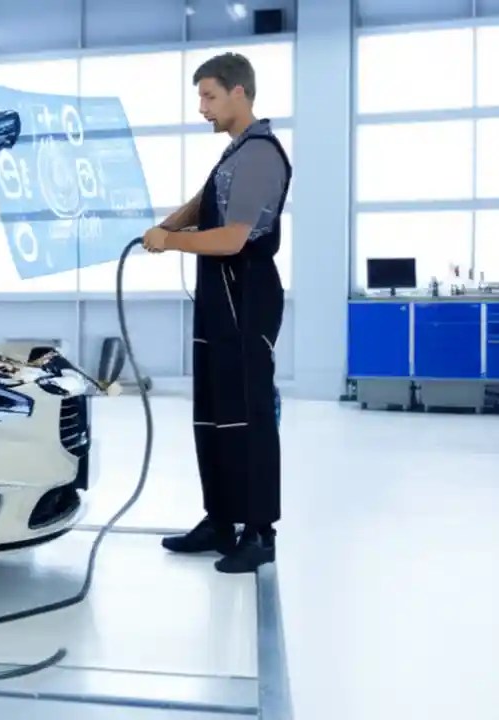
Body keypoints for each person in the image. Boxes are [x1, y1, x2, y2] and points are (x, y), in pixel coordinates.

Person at [141, 52, 292, 574]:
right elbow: (201, 203)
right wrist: (164, 227)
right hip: (219, 294)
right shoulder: (234, 155)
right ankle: (221, 519)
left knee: (248, 413)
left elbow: (231, 239)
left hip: (246, 293)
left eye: (209, 96)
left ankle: (259, 532)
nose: (202, 107)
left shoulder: (260, 155)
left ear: (238, 92)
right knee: (213, 409)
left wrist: (170, 242)